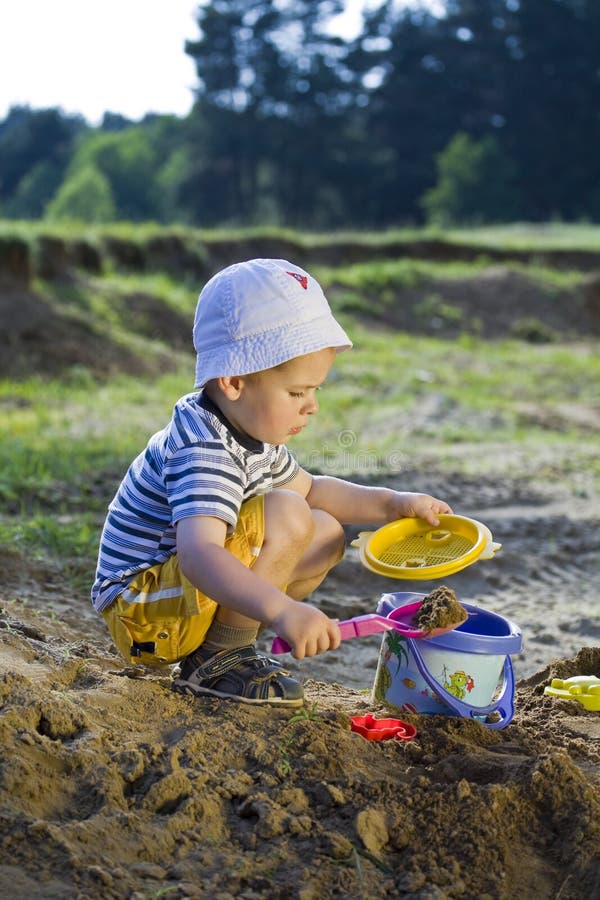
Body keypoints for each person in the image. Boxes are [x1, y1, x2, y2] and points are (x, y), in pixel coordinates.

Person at [91, 258, 452, 707]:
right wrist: (282, 610)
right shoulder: (204, 448)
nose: (312, 406)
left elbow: (314, 490)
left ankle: (225, 645)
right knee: (287, 512)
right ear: (234, 382)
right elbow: (199, 554)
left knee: (325, 530)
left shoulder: (248, 430)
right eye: (297, 392)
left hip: (178, 599)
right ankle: (220, 658)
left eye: (316, 390)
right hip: (144, 611)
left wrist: (393, 504)